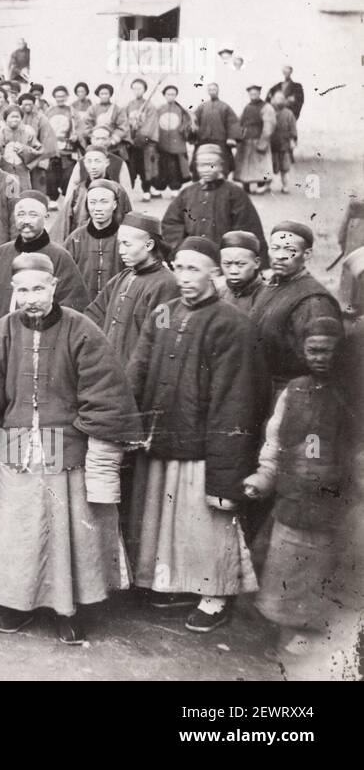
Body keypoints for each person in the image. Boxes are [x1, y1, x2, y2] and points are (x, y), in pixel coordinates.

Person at [0, 252, 140, 645]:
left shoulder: (81, 330)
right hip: (17, 449)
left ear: (54, 287)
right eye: (23, 291)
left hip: (67, 450)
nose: (31, 298)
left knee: (69, 534)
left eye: (38, 289)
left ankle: (70, 608)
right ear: (13, 292)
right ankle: (16, 604)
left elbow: (104, 393)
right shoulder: (2, 332)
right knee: (18, 532)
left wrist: (80, 435)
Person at [126, 236, 262, 632]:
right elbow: (137, 371)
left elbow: (236, 402)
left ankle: (214, 596)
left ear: (214, 273)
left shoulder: (231, 324)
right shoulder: (163, 313)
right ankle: (173, 585)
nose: (183, 277)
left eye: (193, 269)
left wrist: (226, 473)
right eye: (179, 268)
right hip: (160, 437)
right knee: (165, 519)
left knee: (206, 523)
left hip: (203, 446)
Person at [243, 318, 351, 654]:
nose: (319, 357)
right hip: (291, 497)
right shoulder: (294, 390)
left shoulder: (350, 394)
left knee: (316, 569)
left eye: (327, 351)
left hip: (330, 503)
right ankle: (278, 625)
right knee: (281, 564)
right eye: (313, 350)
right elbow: (274, 439)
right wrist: (265, 474)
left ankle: (307, 632)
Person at [250, 221, 342, 399]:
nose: (279, 256)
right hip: (262, 389)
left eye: (289, 250)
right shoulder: (267, 287)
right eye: (275, 248)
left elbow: (320, 364)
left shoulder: (313, 300)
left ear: (306, 254)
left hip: (290, 395)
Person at [85, 213, 178, 363]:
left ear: (149, 245)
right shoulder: (123, 276)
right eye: (120, 244)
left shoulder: (166, 284)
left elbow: (161, 340)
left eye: (127, 244)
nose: (121, 251)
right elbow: (95, 313)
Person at [0, 191, 91, 318]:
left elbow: (73, 306)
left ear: (46, 217)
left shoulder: (60, 257)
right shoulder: (0, 254)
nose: (26, 221)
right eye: (21, 214)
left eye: (33, 215)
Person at [161, 144, 265, 256]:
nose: (206, 170)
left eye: (211, 165)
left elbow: (246, 227)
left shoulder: (235, 193)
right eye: (201, 165)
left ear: (221, 166)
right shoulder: (187, 193)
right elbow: (171, 223)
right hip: (192, 255)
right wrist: (181, 249)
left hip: (224, 256)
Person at [62, 179, 122, 299]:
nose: (98, 208)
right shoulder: (75, 238)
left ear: (114, 205)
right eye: (92, 202)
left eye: (104, 202)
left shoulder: (125, 238)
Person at [149, 83, 191, 197]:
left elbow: (188, 123)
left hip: (176, 143)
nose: (171, 96)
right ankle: (158, 188)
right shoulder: (159, 109)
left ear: (176, 95)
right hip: (161, 142)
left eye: (173, 94)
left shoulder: (181, 110)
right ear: (164, 95)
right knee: (160, 166)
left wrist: (184, 128)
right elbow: (152, 123)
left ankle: (175, 188)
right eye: (168, 94)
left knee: (175, 167)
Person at [192, 83, 240, 175]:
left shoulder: (225, 107)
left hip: (220, 140)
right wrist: (193, 133)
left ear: (218, 91)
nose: (212, 91)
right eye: (210, 90)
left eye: (214, 89)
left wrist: (231, 137)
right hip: (204, 139)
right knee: (201, 161)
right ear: (208, 92)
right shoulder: (202, 106)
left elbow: (232, 123)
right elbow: (194, 121)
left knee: (222, 163)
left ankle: (222, 179)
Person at [234, 84, 275, 193]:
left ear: (259, 94)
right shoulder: (247, 107)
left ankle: (262, 185)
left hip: (258, 139)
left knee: (260, 164)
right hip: (246, 140)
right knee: (245, 165)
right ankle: (246, 186)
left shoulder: (266, 107)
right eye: (251, 94)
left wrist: (263, 141)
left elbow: (269, 125)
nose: (253, 95)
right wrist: (238, 136)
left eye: (255, 93)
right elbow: (241, 122)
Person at [218, 229, 263, 313]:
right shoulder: (218, 294)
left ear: (257, 263)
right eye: (227, 264)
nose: (233, 271)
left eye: (241, 264)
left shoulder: (268, 296)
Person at [269, 91, 298, 194]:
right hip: (271, 144)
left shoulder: (288, 113)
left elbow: (293, 128)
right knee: (269, 166)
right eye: (277, 98)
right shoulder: (269, 111)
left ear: (284, 100)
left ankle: (285, 186)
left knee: (285, 167)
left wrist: (293, 140)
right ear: (273, 99)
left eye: (281, 98)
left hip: (284, 144)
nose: (279, 100)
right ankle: (266, 185)